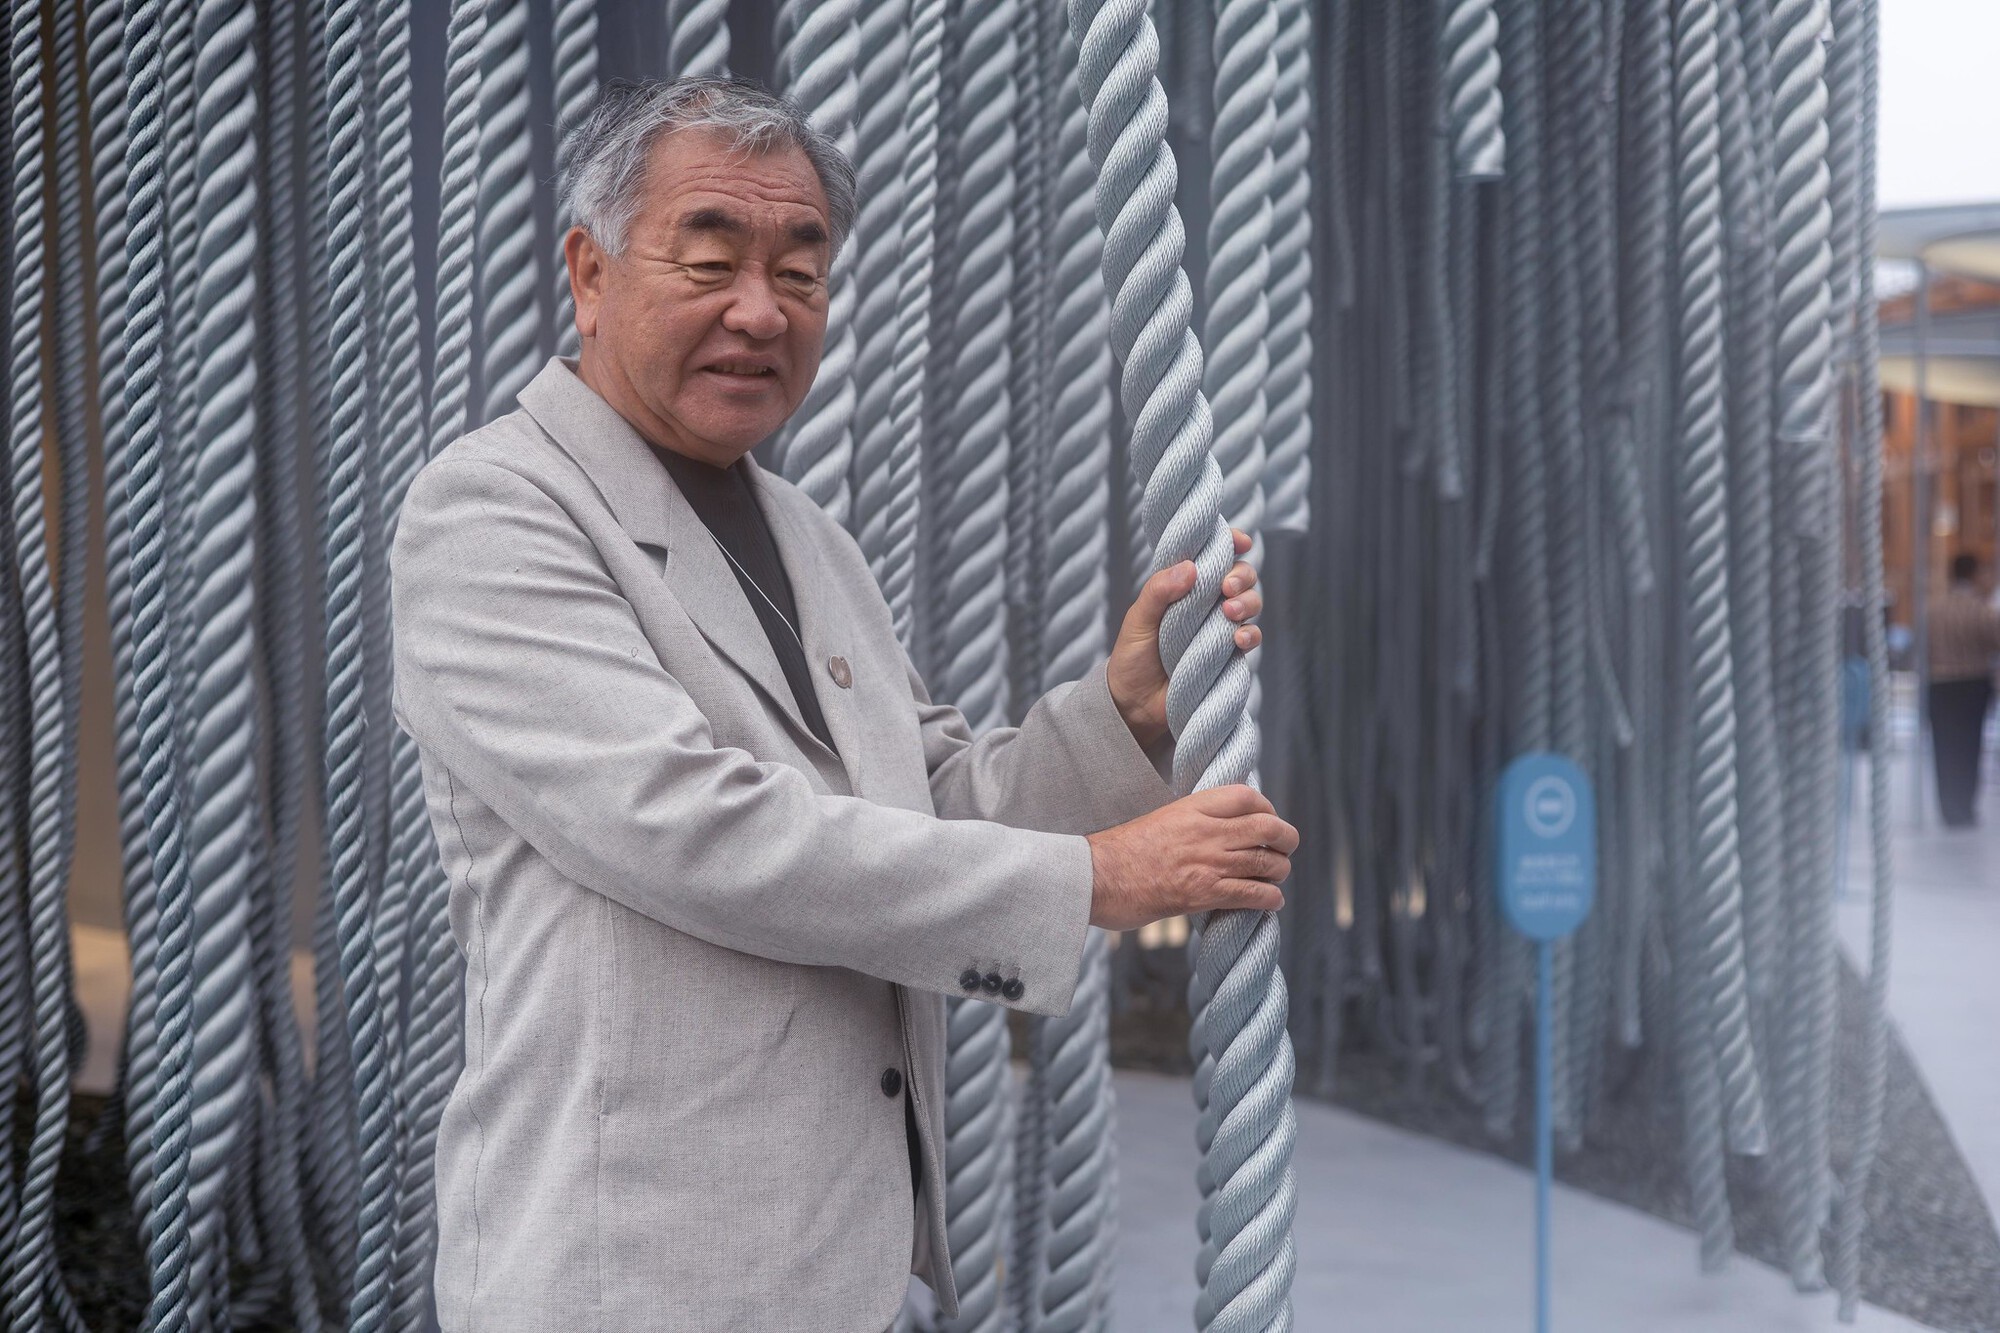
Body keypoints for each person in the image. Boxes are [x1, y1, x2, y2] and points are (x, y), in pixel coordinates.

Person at [390, 77, 1297, 1331]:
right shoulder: (490, 512)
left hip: (832, 1268)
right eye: (709, 259)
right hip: (626, 1274)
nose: (759, 312)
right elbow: (691, 828)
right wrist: (1098, 880)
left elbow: (928, 801)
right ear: (589, 274)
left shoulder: (808, 537)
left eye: (801, 276)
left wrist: (1123, 714)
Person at [1927, 551, 2000, 827]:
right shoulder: (1980, 610)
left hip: (1940, 685)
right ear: (1973, 574)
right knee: (1969, 747)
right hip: (1971, 685)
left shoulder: (1934, 610)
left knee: (1944, 747)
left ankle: (1948, 806)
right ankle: (1964, 807)